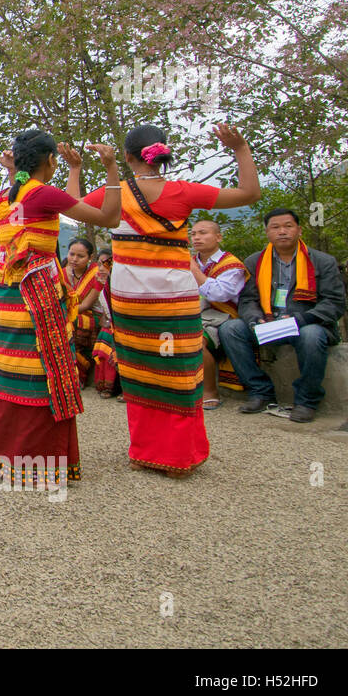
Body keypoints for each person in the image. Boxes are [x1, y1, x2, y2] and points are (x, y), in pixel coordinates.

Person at [71, 123, 259, 476]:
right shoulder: (183, 191)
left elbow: (74, 208)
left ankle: (145, 451)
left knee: (142, 374)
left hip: (131, 301)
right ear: (162, 153)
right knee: (179, 375)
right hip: (174, 300)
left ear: (128, 157)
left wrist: (76, 169)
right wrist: (240, 148)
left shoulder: (117, 194)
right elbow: (249, 193)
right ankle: (178, 457)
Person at [0, 132, 122, 488]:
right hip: (35, 294)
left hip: (6, 294)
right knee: (46, 373)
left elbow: (66, 206)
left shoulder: (8, 195)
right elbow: (108, 217)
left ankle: (9, 459)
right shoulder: (42, 193)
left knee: (15, 370)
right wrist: (111, 168)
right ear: (49, 160)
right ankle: (37, 464)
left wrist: (74, 171)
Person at [218, 208, 347, 423]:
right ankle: (261, 391)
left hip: (306, 323)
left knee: (312, 336)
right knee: (230, 329)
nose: (282, 232)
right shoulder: (254, 262)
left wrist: (302, 319)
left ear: (299, 230)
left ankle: (306, 400)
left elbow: (334, 303)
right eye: (275, 227)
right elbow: (248, 300)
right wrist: (254, 319)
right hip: (269, 323)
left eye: (288, 226)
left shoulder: (323, 261)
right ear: (267, 233)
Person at [189, 219, 249, 409]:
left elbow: (220, 294)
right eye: (193, 234)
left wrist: (194, 271)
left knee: (195, 341)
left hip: (221, 316)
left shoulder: (231, 264)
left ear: (218, 237)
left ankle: (209, 391)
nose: (197, 237)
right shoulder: (192, 261)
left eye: (203, 233)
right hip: (193, 312)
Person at [59, 238, 103, 384]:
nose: (74, 259)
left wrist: (65, 313)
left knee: (71, 324)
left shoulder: (96, 274)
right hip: (67, 313)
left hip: (89, 314)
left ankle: (79, 373)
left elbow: (85, 305)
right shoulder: (62, 273)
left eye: (80, 256)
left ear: (90, 258)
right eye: (72, 254)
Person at [91, 248, 120, 397]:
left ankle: (117, 386)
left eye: (106, 264)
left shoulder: (121, 285)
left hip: (125, 325)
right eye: (99, 264)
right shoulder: (101, 284)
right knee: (103, 337)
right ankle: (105, 384)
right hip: (112, 324)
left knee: (108, 337)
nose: (101, 268)